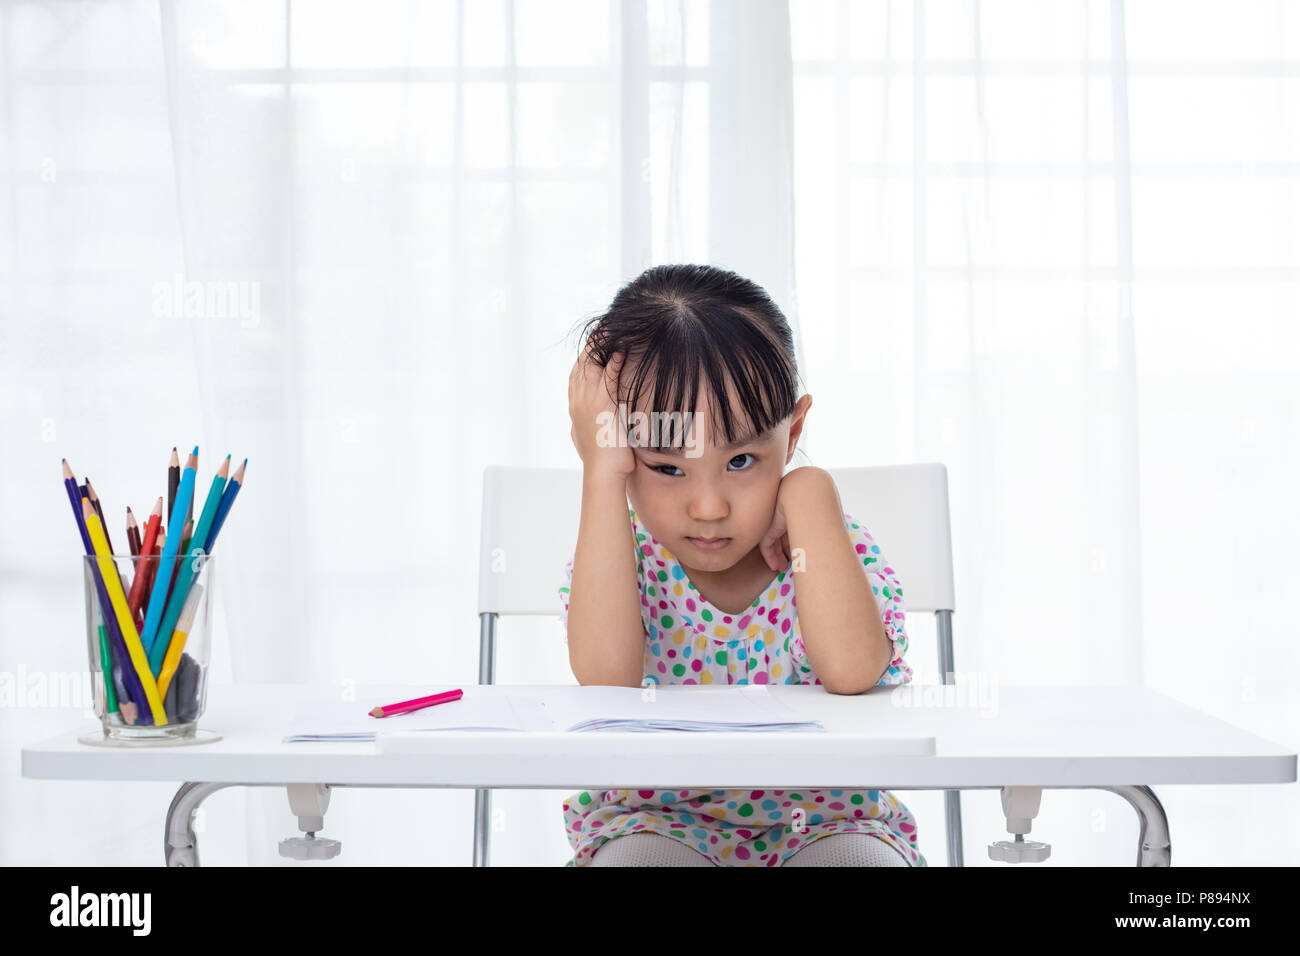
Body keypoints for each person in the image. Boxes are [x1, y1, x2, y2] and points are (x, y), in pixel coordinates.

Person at [559, 263, 924, 867]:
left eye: (743, 460)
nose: (708, 507)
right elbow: (606, 683)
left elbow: (853, 671)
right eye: (667, 467)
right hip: (656, 821)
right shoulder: (624, 555)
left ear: (794, 430)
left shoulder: (826, 540)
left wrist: (808, 489)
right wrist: (600, 474)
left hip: (831, 821)